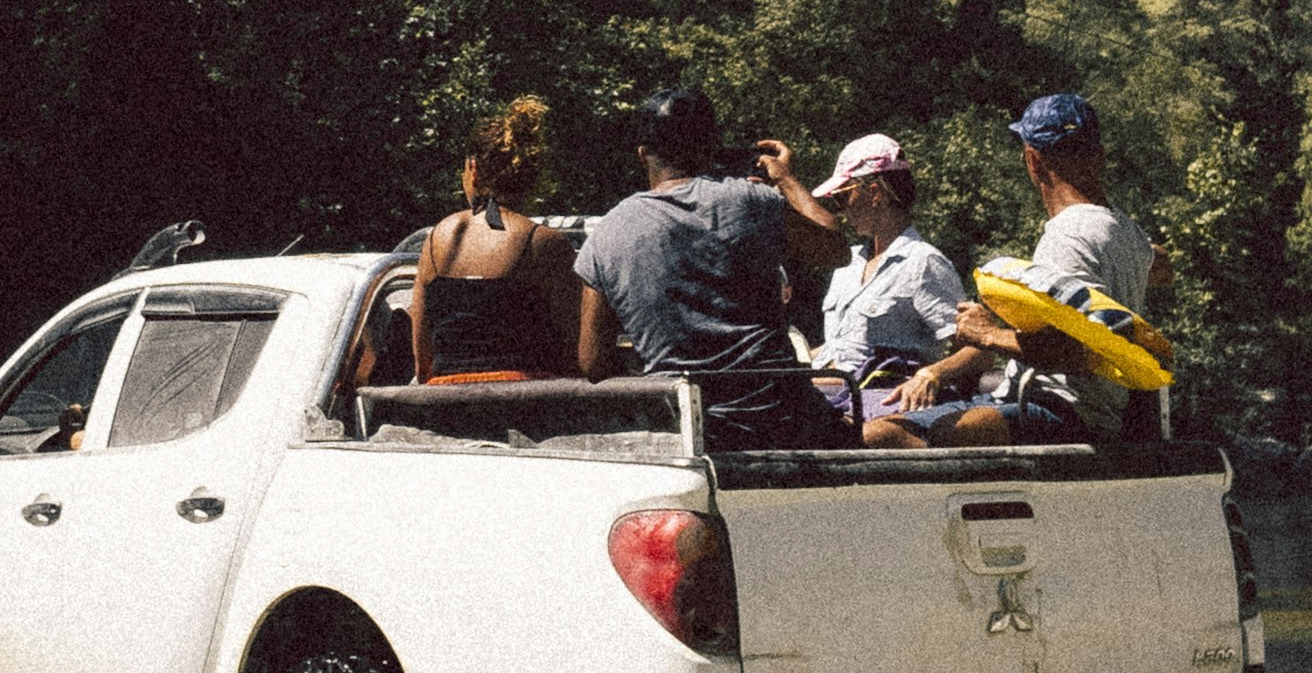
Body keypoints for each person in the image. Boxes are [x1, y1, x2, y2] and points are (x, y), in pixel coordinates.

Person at [867, 93, 1160, 445]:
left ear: (1033, 160)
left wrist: (986, 334)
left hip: (1061, 411)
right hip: (1089, 408)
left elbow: (1073, 350)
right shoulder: (1128, 232)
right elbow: (1152, 272)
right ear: (1097, 156)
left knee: (882, 434)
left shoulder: (1068, 235)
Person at [574, 86, 843, 451]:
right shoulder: (752, 200)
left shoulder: (606, 234)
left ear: (642, 155)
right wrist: (786, 179)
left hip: (689, 431)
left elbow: (592, 362)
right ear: (709, 149)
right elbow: (835, 249)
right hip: (785, 421)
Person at [798, 132, 969, 441]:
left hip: (876, 402)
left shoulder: (923, 262)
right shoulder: (848, 263)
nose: (841, 209)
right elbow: (844, 343)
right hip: (827, 393)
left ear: (874, 192)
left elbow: (976, 348)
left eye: (842, 196)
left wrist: (933, 375)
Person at [411, 95, 582, 383]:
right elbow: (575, 352)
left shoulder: (437, 239)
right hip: (526, 404)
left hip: (444, 407)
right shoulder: (544, 243)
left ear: (474, 170)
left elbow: (422, 362)